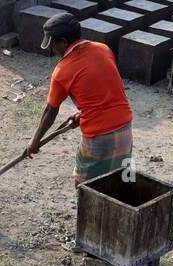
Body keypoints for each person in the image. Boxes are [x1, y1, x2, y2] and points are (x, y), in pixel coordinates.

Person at [24, 13, 133, 183]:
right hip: (125, 128)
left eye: (53, 45)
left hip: (99, 136)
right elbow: (106, 90)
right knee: (117, 182)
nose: (53, 50)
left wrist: (34, 141)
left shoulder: (62, 70)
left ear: (64, 42)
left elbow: (50, 111)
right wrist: (82, 115)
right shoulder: (103, 49)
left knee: (85, 186)